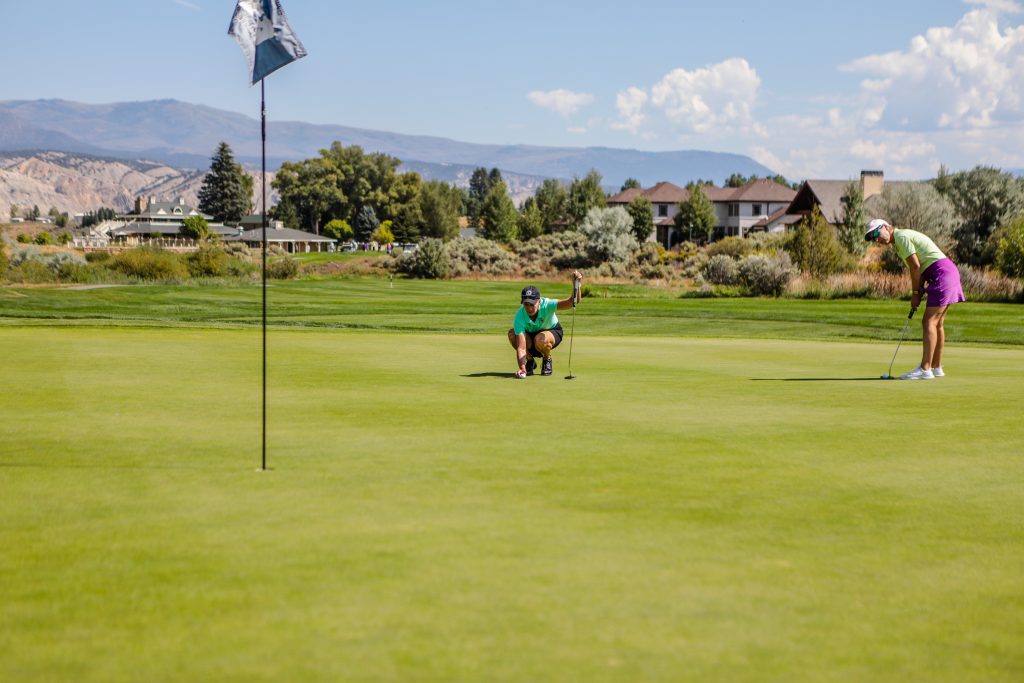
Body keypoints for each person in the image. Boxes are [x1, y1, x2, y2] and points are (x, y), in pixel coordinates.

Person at [865, 218, 966, 380]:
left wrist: (915, 293)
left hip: (941, 274)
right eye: (872, 238)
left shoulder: (901, 237)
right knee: (938, 324)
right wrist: (918, 290)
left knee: (929, 322)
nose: (877, 239)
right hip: (947, 272)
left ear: (886, 227)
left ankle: (925, 369)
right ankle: (936, 367)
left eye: (876, 233)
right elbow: (920, 269)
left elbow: (915, 267)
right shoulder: (900, 240)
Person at [508, 271, 583, 379]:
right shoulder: (519, 316)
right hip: (530, 337)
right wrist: (522, 367)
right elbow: (521, 348)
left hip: (551, 333)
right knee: (512, 334)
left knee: (540, 339)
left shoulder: (548, 304)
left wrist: (577, 284)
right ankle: (529, 362)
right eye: (526, 304)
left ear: (539, 301)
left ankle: (547, 358)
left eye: (532, 304)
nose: (529, 308)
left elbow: (572, 302)